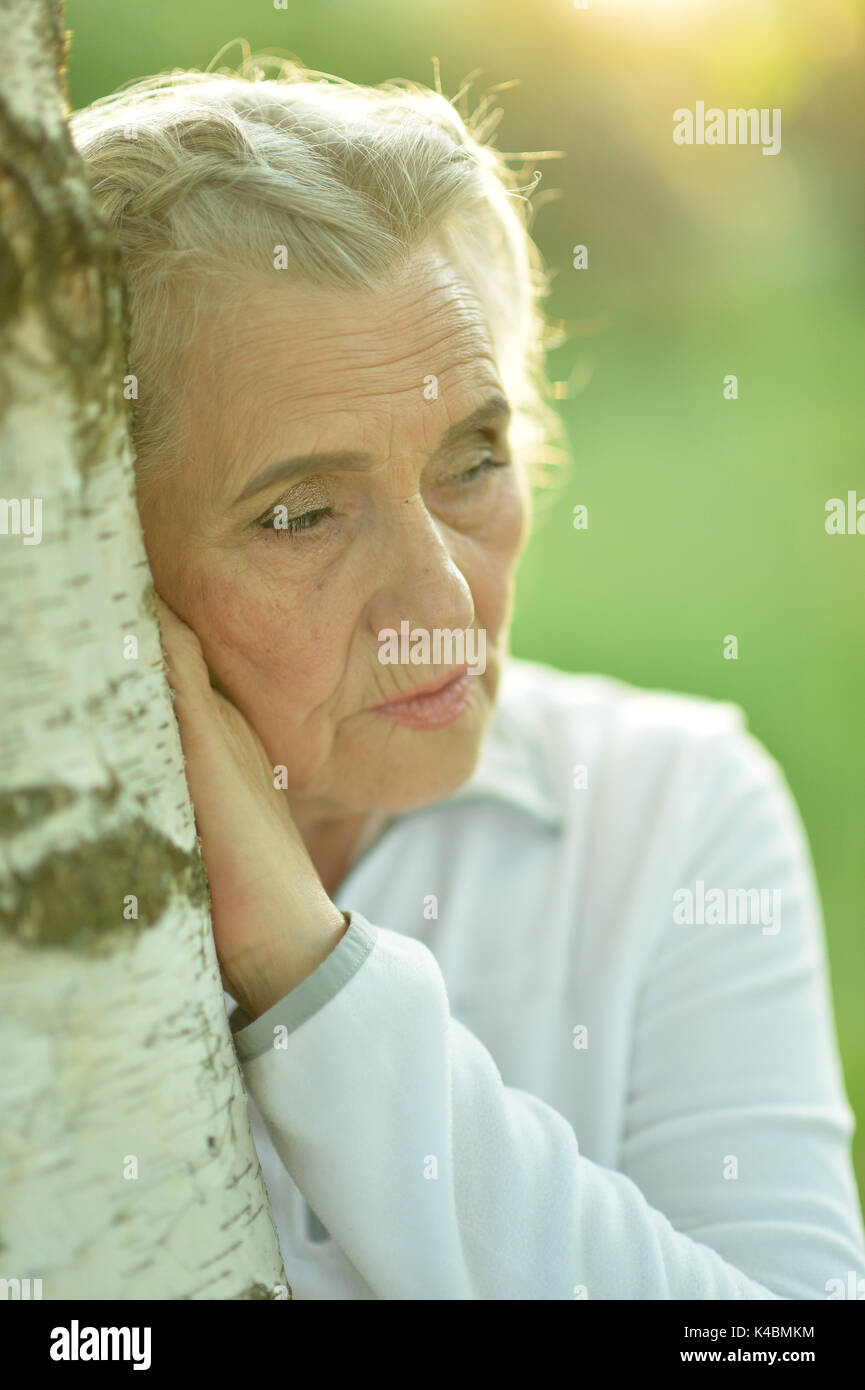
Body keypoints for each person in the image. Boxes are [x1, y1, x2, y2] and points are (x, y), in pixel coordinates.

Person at [70, 53, 865, 1299]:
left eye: (471, 459)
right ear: (97, 560)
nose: (443, 605)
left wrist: (307, 971)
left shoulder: (673, 815)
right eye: (302, 514)